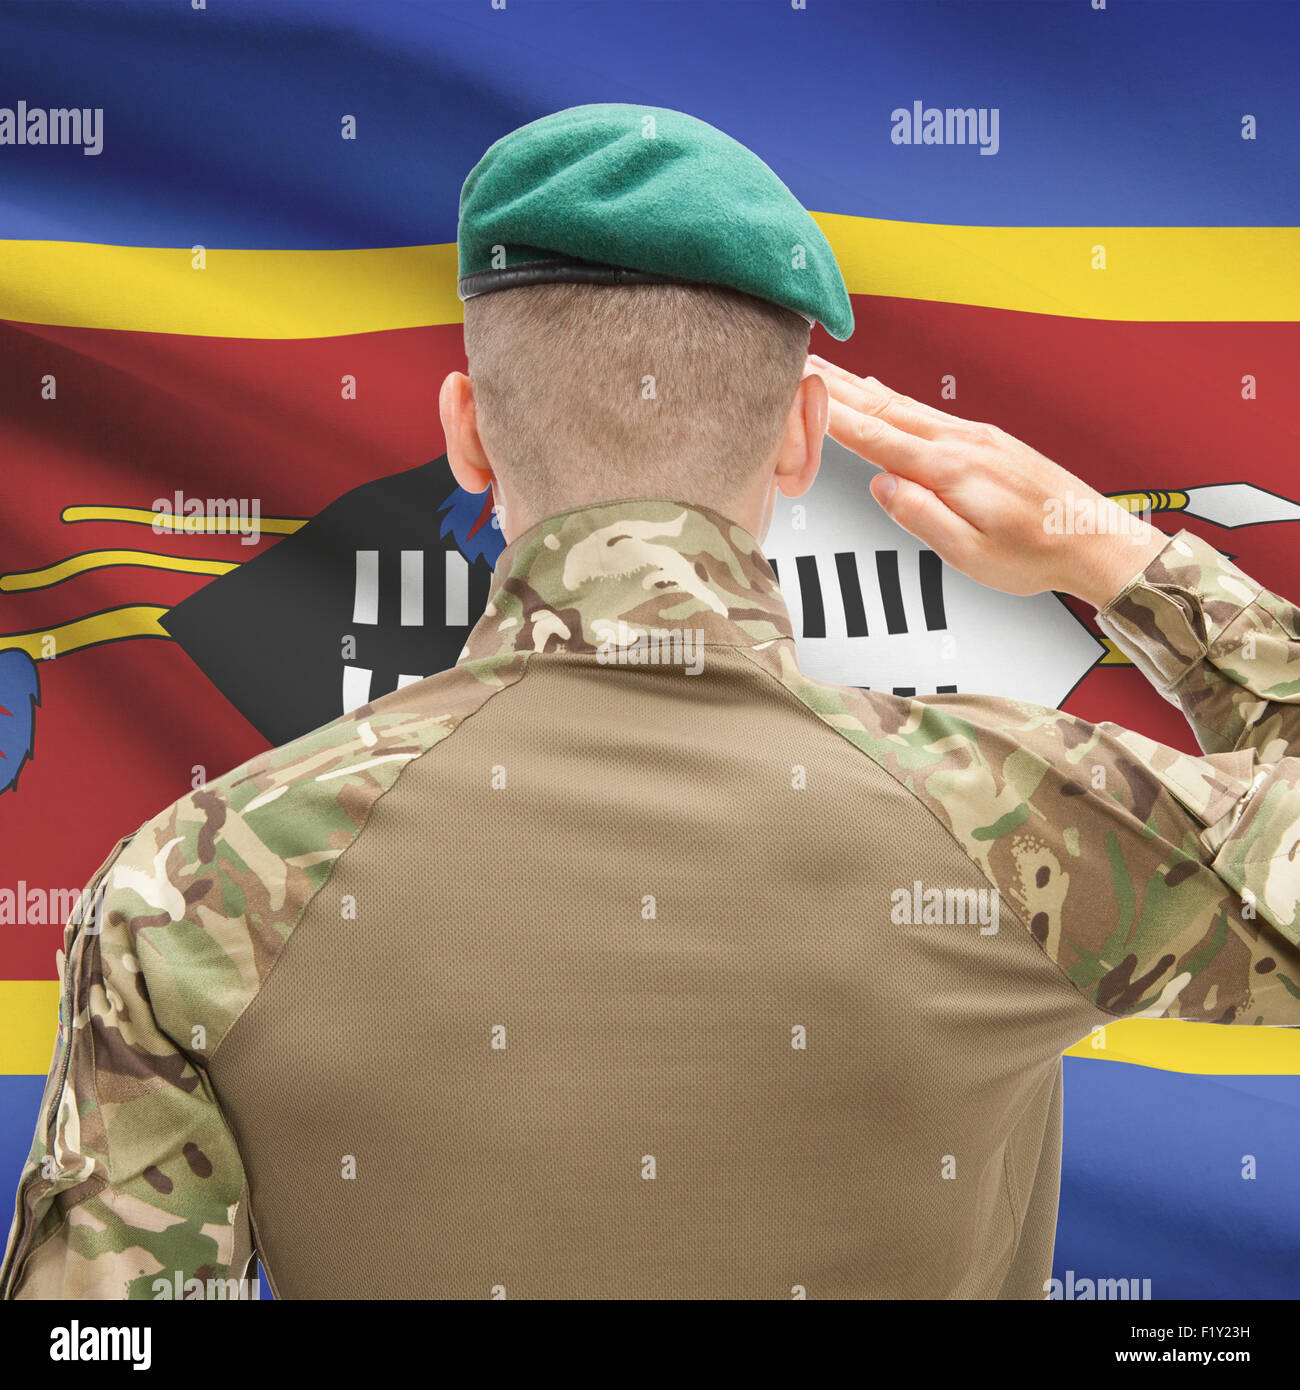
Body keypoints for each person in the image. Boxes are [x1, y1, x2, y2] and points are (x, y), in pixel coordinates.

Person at [3, 103, 1296, 1301]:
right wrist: (1115, 558)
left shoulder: (196, 882)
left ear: (466, 429)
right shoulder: (1022, 817)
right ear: (802, 438)